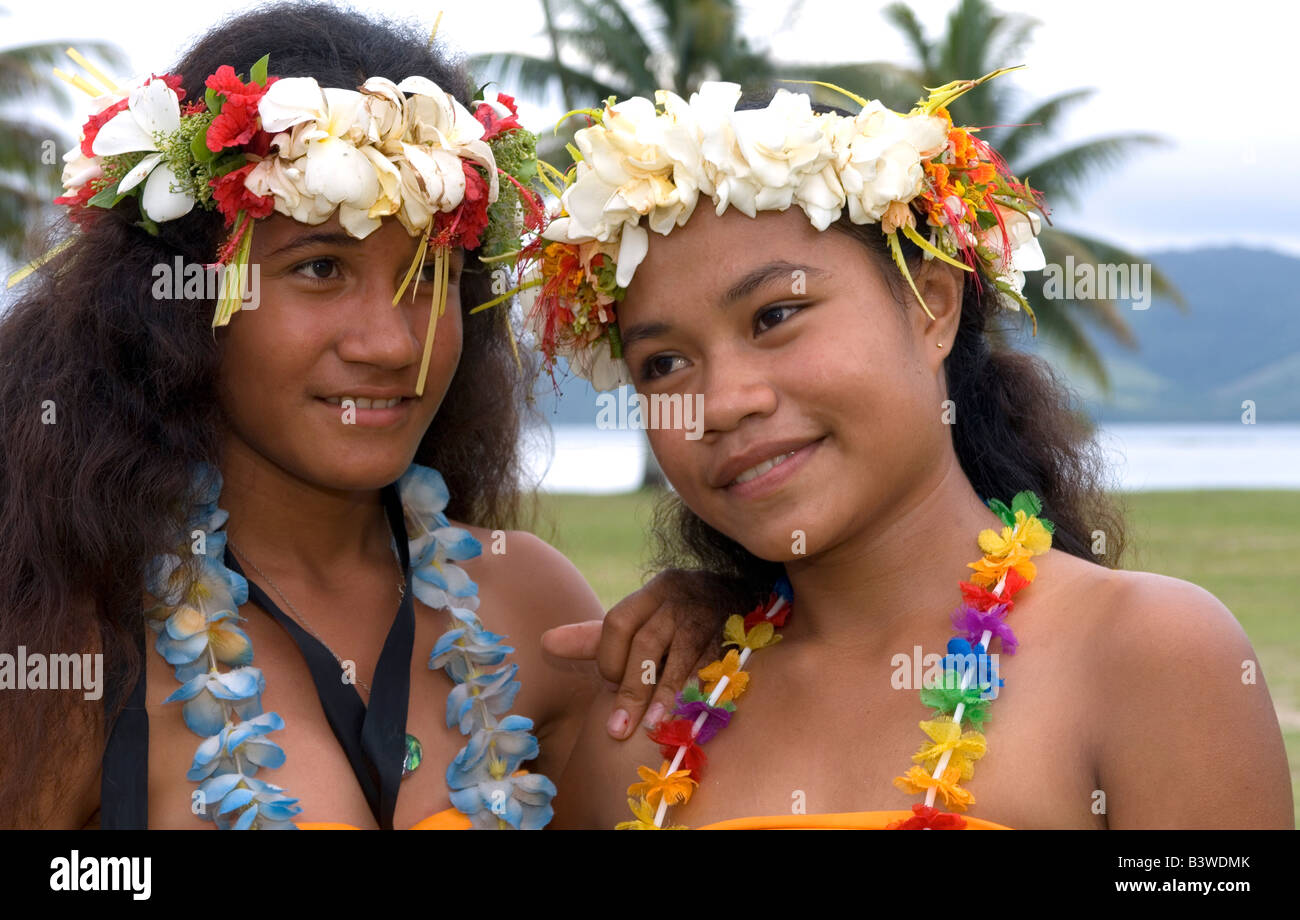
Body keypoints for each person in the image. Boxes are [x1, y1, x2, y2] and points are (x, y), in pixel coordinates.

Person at [0, 1, 710, 831]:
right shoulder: (67, 638)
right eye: (322, 268)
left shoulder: (531, 608)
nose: (390, 342)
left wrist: (741, 612)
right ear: (182, 303)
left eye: (431, 276)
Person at [523, 75, 1295, 829]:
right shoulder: (648, 721)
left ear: (932, 305)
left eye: (776, 315)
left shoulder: (1149, 659)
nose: (723, 402)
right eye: (663, 364)